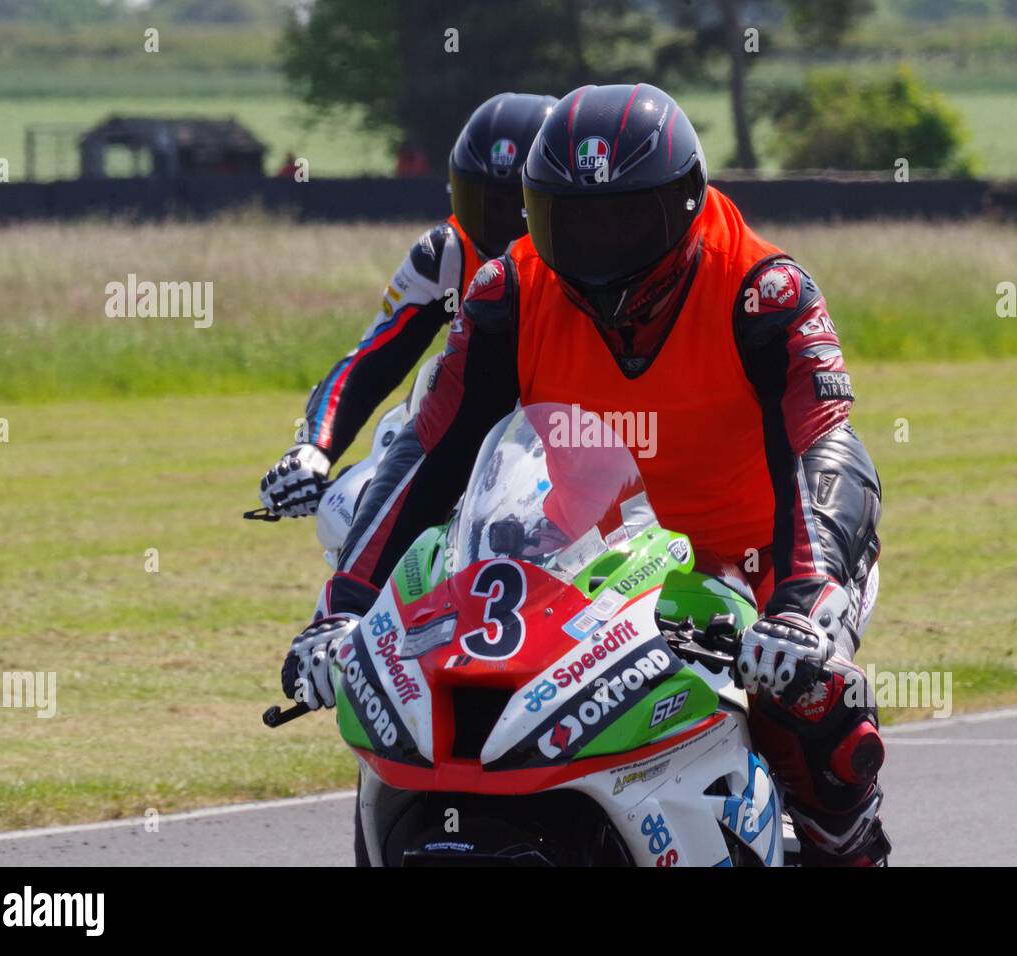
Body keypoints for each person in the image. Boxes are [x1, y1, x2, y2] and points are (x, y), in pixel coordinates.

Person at [282, 83, 889, 866]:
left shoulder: (764, 292)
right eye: (573, 222)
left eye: (625, 219)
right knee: (453, 693)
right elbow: (430, 450)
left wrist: (806, 606)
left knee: (811, 706)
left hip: (770, 555)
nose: (601, 252)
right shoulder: (510, 288)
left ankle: (850, 847)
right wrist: (344, 608)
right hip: (600, 555)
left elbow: (822, 448)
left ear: (687, 201)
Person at [257, 92, 558, 520]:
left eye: (517, 205)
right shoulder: (444, 252)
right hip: (471, 429)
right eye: (483, 200)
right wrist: (315, 446)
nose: (499, 221)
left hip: (569, 441)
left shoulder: (585, 260)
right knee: (344, 512)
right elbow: (374, 356)